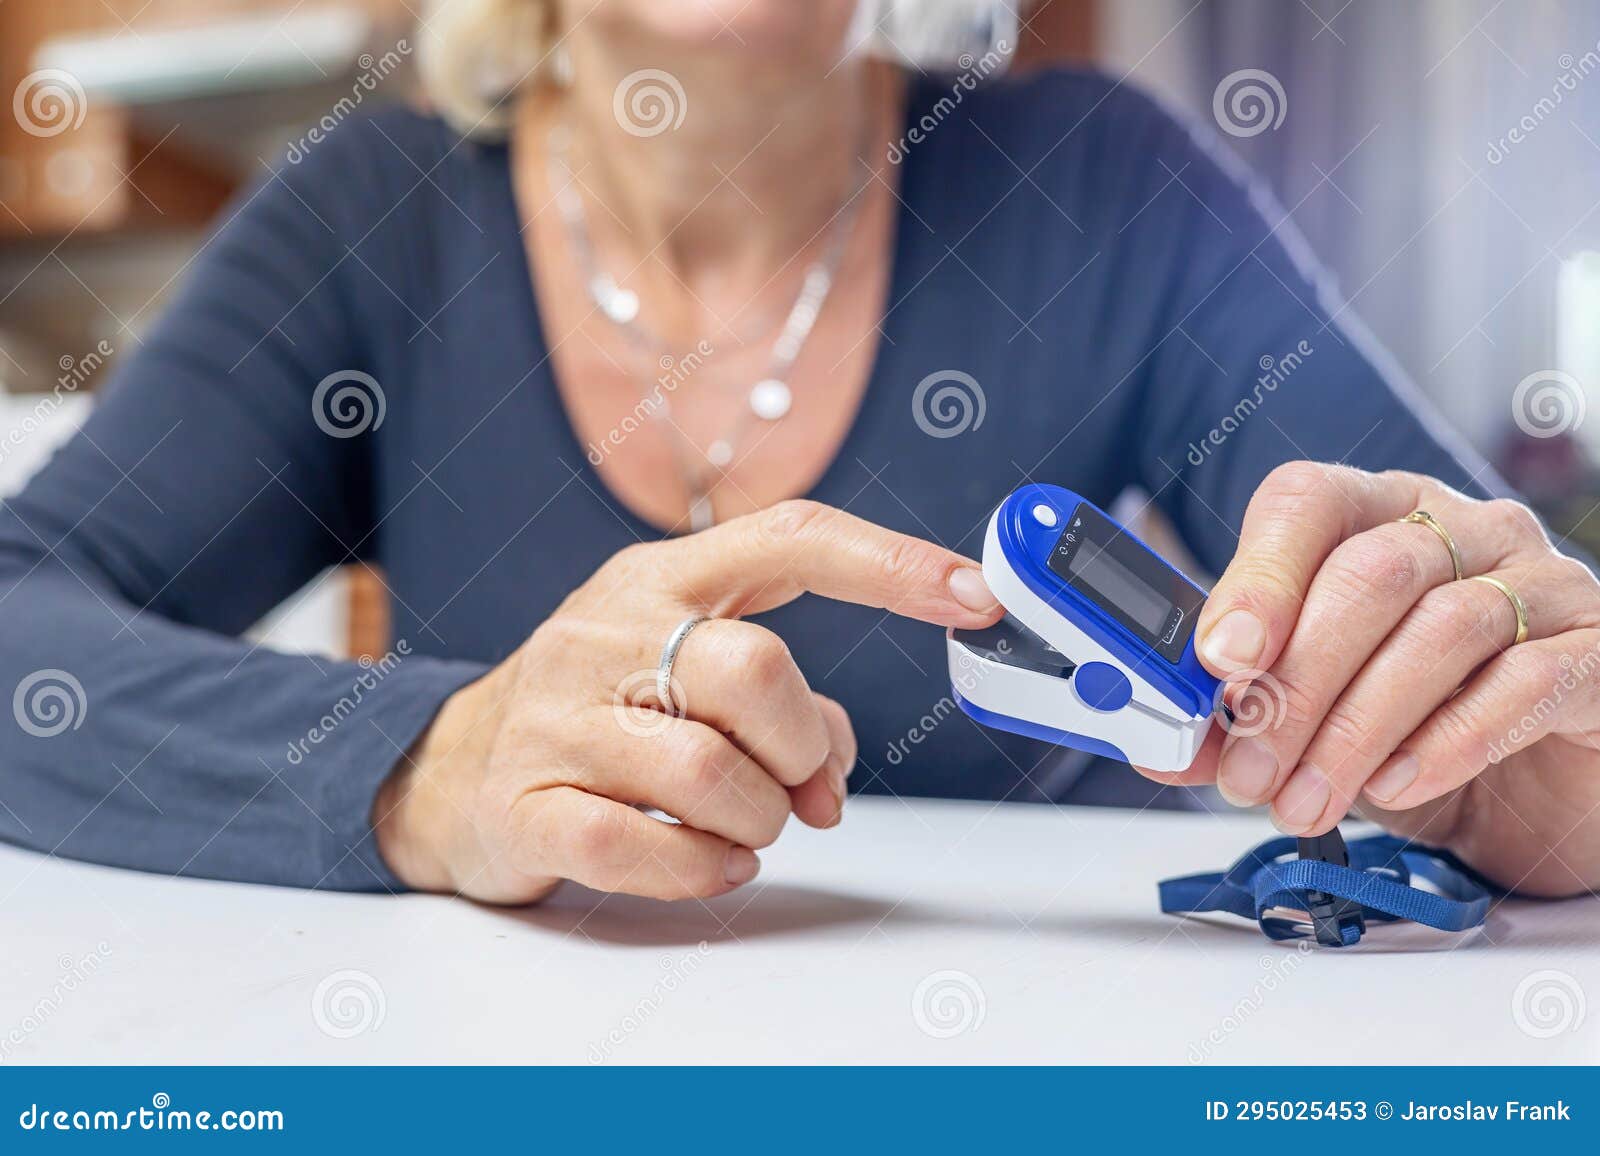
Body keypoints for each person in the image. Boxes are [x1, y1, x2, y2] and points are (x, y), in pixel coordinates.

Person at [1, 0, 1595, 908]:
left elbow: (1508, 639)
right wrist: (429, 764)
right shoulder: (374, 212)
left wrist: (1533, 775)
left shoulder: (1105, 184)